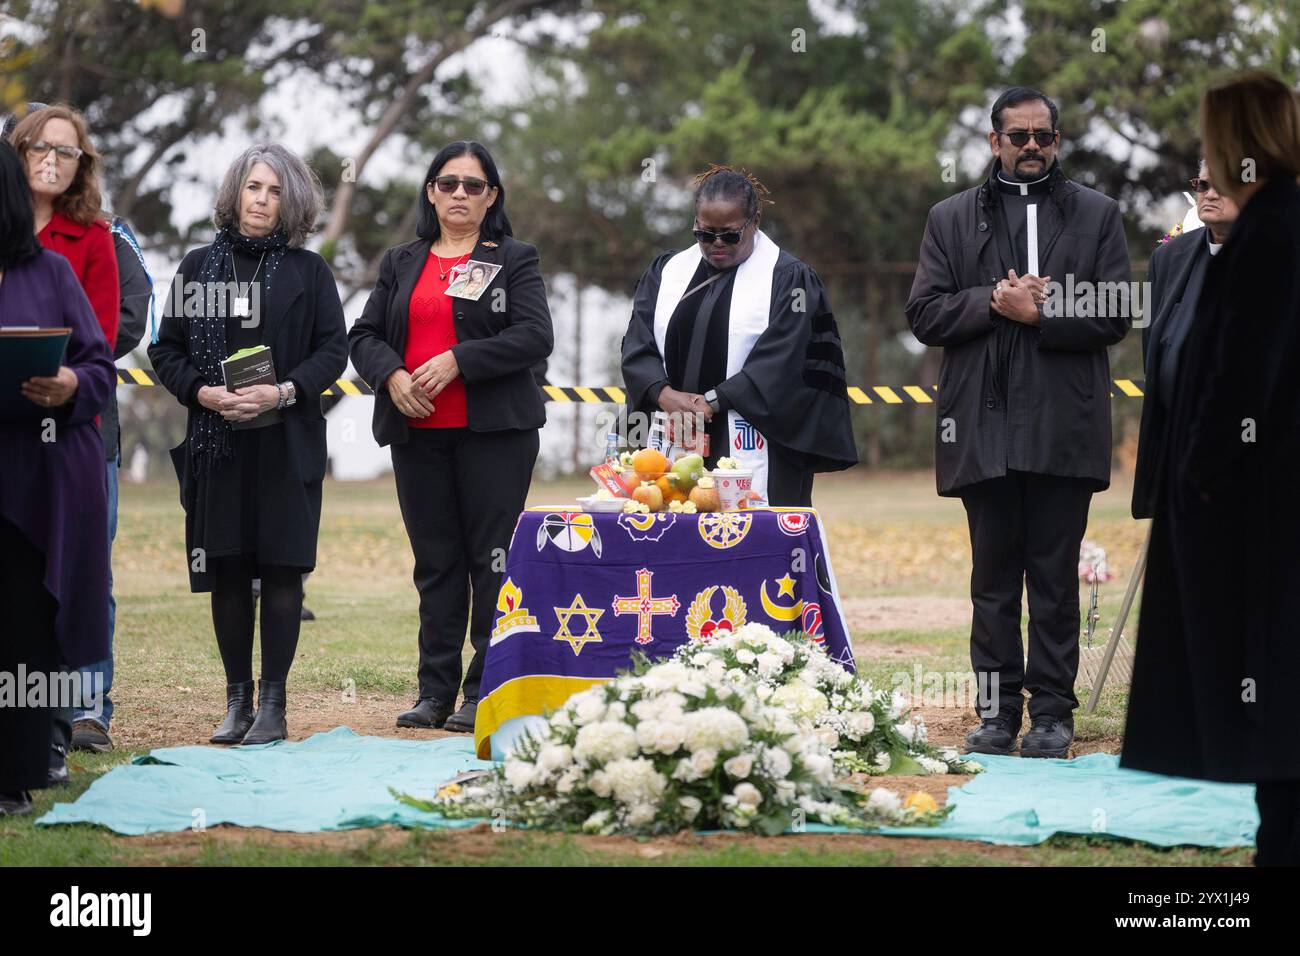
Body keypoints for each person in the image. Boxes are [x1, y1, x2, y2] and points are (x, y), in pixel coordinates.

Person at [905, 87, 1131, 759]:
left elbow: (1117, 310)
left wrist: (1045, 313)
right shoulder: (950, 219)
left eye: (1043, 136)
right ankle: (997, 716)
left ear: (1056, 143)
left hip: (1064, 423)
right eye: (1017, 136)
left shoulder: (1097, 215)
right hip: (984, 424)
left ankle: (1054, 716)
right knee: (994, 582)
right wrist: (993, 302)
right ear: (994, 143)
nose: (1030, 147)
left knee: (1055, 579)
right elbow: (924, 314)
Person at [1122, 72, 1300, 867]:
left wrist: (1199, 472)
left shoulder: (1269, 235)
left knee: (1266, 676)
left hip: (1257, 506)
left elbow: (1239, 374)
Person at [349, 140, 553, 734]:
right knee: (435, 564)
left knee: (490, 562)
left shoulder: (514, 257)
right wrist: (390, 373)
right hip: (418, 435)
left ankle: (482, 691)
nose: (459, 194)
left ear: (492, 197)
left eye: (473, 184)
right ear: (430, 193)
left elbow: (535, 335)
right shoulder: (401, 261)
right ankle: (433, 692)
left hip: (495, 436)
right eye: (447, 183)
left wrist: (461, 359)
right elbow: (362, 334)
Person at [149, 143, 347, 745]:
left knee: (283, 573)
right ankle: (236, 702)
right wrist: (203, 394)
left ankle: (274, 707)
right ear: (235, 193)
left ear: (294, 202)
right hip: (218, 444)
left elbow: (332, 353)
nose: (263, 200)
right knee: (228, 571)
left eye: (276, 191)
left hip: (285, 443)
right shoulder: (195, 267)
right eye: (254, 187)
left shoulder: (308, 272)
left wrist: (284, 391)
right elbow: (165, 350)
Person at [621, 165, 857, 504]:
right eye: (705, 234)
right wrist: (663, 395)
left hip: (758, 440)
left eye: (730, 235)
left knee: (757, 546)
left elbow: (787, 360)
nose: (717, 244)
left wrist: (712, 401)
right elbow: (637, 343)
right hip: (673, 434)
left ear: (755, 221)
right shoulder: (666, 272)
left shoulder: (789, 280)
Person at [5, 103, 121, 782]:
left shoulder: (86, 244)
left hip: (68, 441)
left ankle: (61, 727)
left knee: (67, 586)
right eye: (39, 147)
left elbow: (100, 339)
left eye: (67, 151)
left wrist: (70, 379)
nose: (52, 159)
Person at [1131, 160, 1238, 520]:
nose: (1208, 194)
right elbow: (1154, 351)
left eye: (1220, 184)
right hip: (1181, 450)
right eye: (1202, 185)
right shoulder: (1170, 258)